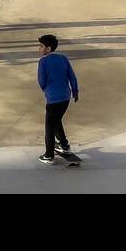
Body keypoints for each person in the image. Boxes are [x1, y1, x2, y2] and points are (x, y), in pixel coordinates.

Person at [36, 34, 78, 164]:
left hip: (53, 99)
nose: (39, 48)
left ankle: (49, 155)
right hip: (65, 97)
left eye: (41, 46)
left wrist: (46, 90)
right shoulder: (63, 58)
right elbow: (72, 76)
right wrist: (75, 92)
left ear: (48, 49)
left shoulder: (43, 61)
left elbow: (41, 80)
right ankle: (64, 146)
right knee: (56, 121)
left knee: (49, 126)